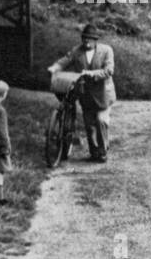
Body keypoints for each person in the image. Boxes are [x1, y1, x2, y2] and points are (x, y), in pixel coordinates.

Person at [49, 24, 115, 162]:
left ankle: (103, 152)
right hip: (86, 93)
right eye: (84, 38)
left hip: (103, 93)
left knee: (101, 121)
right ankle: (94, 152)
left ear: (96, 40)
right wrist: (55, 67)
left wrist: (92, 73)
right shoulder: (77, 50)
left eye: (90, 39)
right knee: (89, 125)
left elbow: (109, 70)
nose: (86, 42)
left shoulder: (106, 50)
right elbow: (65, 60)